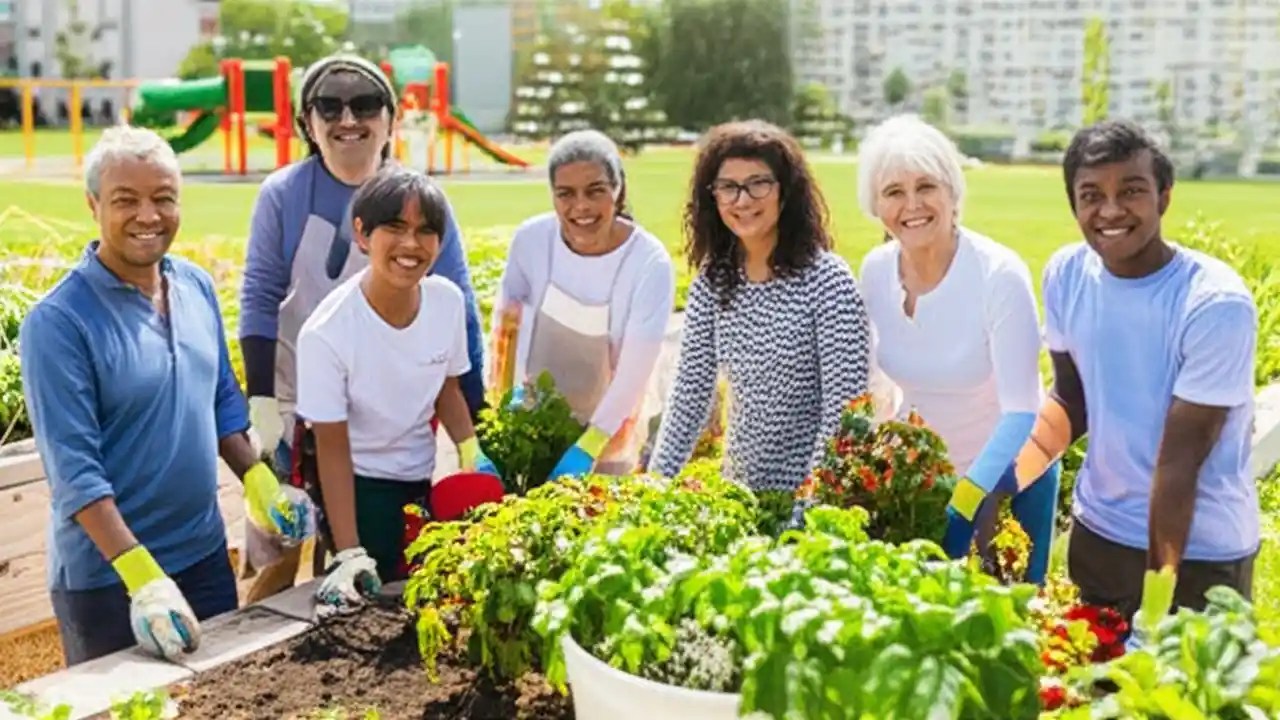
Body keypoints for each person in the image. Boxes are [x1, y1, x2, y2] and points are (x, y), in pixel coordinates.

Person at [18, 126, 310, 665]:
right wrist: (141, 578)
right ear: (93, 205)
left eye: (163, 198)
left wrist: (258, 479)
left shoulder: (194, 286)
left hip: (203, 559)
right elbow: (75, 474)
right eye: (125, 200)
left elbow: (221, 396)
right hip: (109, 581)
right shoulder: (59, 323)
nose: (148, 216)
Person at [236, 54, 486, 597]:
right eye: (330, 106)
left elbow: (457, 309)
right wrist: (261, 403)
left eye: (365, 105)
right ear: (308, 122)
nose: (348, 119)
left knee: (366, 552)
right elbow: (258, 298)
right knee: (281, 549)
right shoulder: (283, 195)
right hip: (294, 392)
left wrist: (477, 422)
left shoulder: (420, 200)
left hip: (383, 407)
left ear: (391, 120)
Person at [1009, 119, 1259, 638]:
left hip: (1198, 558)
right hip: (1100, 537)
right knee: (1091, 697)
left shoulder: (1213, 303)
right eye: (1091, 195)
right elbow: (1071, 400)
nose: (1111, 210)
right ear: (1073, 204)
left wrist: (1155, 603)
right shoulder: (1067, 273)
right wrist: (1004, 482)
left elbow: (1180, 462)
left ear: (1164, 197)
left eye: (1132, 191)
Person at [853, 114, 1059, 584]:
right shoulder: (876, 272)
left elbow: (1022, 413)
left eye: (926, 186)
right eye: (893, 192)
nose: (912, 204)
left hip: (1010, 474)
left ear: (952, 193)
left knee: (1009, 623)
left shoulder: (998, 275)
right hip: (930, 478)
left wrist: (965, 498)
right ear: (876, 206)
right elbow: (875, 387)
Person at [295, 167, 499, 611]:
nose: (411, 244)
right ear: (362, 234)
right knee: (368, 608)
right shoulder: (327, 334)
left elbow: (447, 388)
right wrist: (348, 549)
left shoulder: (446, 302)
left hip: (419, 482)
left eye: (426, 231)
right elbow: (331, 446)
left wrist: (471, 451)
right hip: (359, 489)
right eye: (395, 227)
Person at [648, 120, 871, 491]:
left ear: (785, 193)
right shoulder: (714, 278)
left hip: (812, 503)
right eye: (728, 187)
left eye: (758, 184)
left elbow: (844, 414)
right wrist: (652, 489)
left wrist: (805, 510)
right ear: (712, 196)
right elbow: (690, 392)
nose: (742, 200)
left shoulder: (828, 280)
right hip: (742, 493)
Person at [488, 130, 676, 478]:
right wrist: (504, 408)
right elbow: (506, 331)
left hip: (611, 436)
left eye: (595, 191)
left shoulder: (648, 263)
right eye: (566, 194)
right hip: (531, 429)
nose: (582, 207)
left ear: (618, 190)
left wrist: (590, 445)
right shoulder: (532, 241)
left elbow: (636, 369)